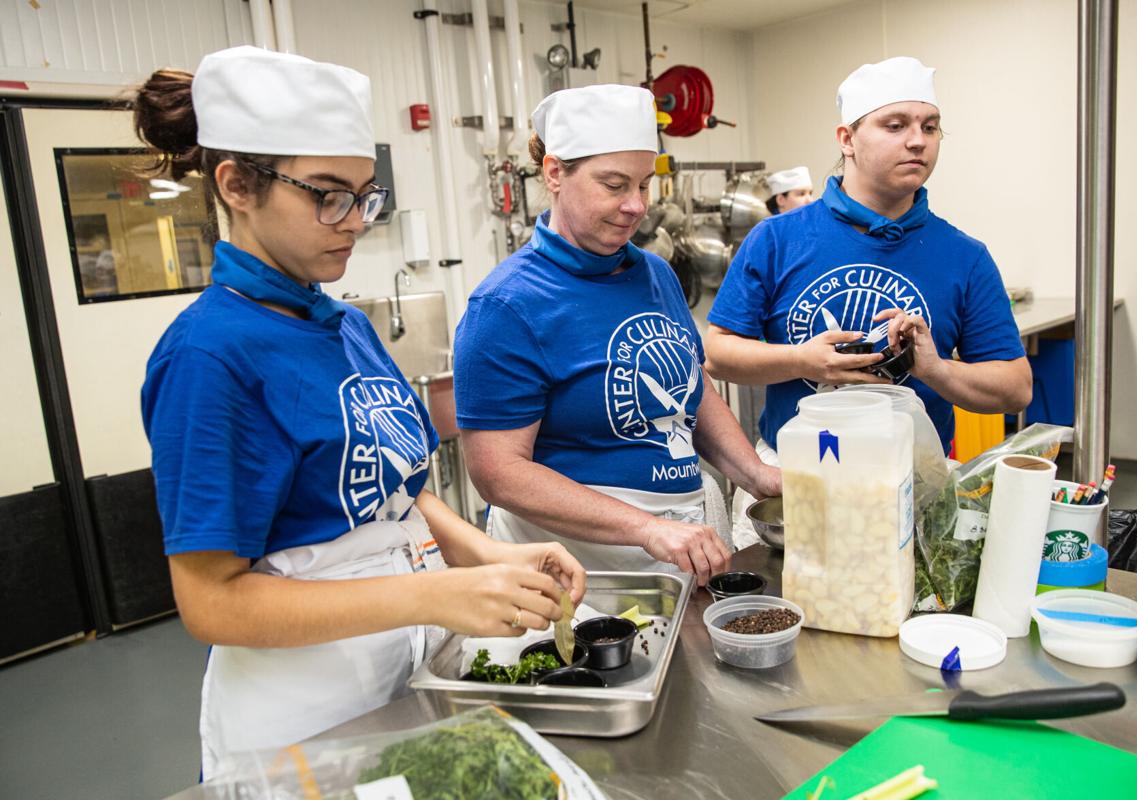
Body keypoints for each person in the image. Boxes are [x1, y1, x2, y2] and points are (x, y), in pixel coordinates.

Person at [135, 46, 586, 779]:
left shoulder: (346, 327)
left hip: (402, 671)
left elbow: (398, 495)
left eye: (366, 196)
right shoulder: (208, 356)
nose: (354, 222)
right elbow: (211, 602)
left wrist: (491, 556)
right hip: (300, 708)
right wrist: (434, 593)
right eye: (328, 195)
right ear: (237, 185)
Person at [453, 84, 780, 586]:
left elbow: (692, 390)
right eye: (614, 185)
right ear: (555, 172)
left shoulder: (655, 274)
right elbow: (498, 473)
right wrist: (646, 528)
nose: (636, 206)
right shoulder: (507, 305)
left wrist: (756, 474)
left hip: (682, 540)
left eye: (645, 185)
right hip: (582, 565)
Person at [705, 56, 1032, 550]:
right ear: (847, 139)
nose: (918, 140)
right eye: (895, 125)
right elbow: (717, 353)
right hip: (793, 480)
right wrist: (802, 360)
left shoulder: (964, 256)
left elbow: (1015, 387)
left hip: (911, 484)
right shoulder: (777, 240)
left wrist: (934, 369)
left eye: (930, 126)